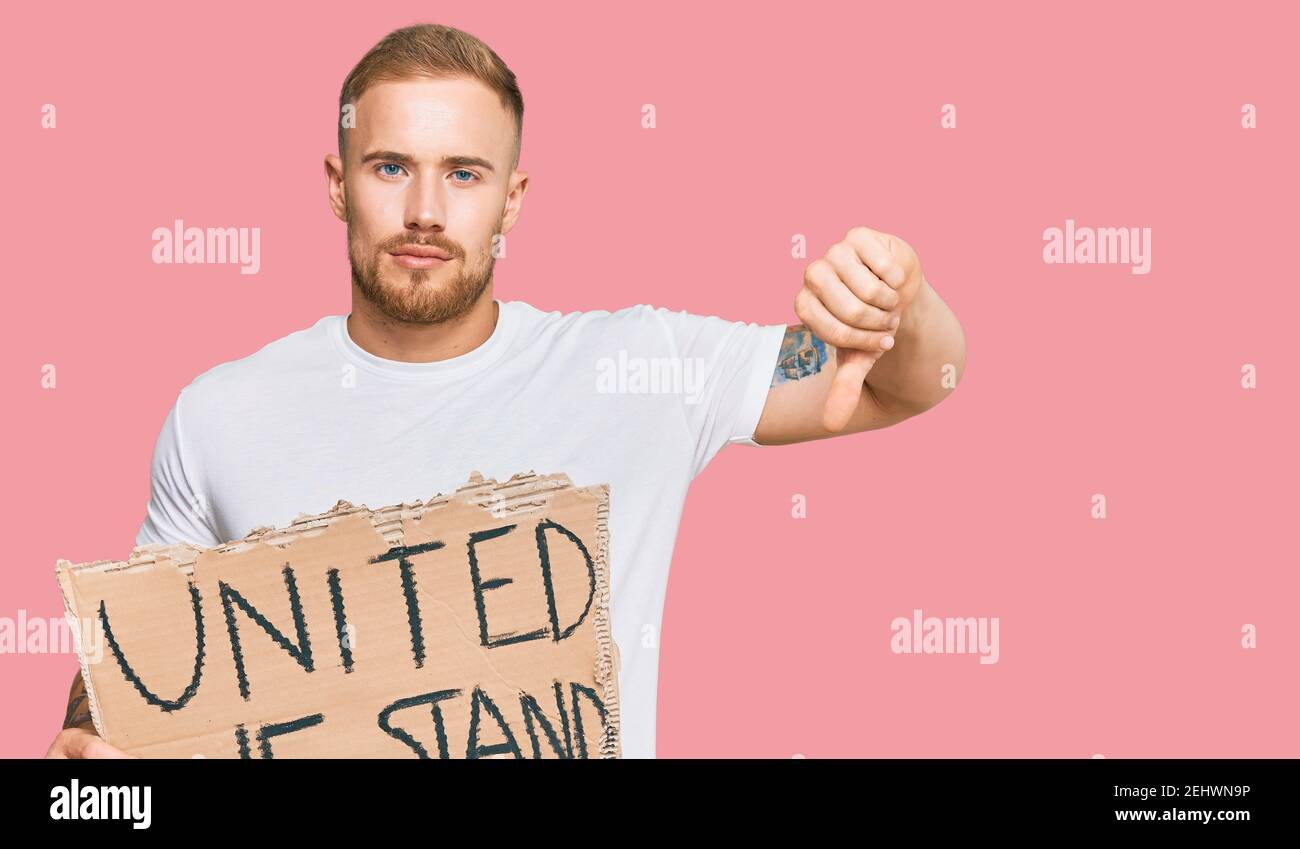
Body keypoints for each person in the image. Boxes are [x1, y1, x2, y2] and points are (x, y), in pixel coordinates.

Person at [46, 23, 966, 759]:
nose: (425, 213)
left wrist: (902, 299)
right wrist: (88, 742)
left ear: (512, 200)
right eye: (391, 166)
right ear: (338, 183)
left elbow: (901, 383)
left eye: (464, 174)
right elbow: (139, 654)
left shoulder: (640, 370)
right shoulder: (220, 412)